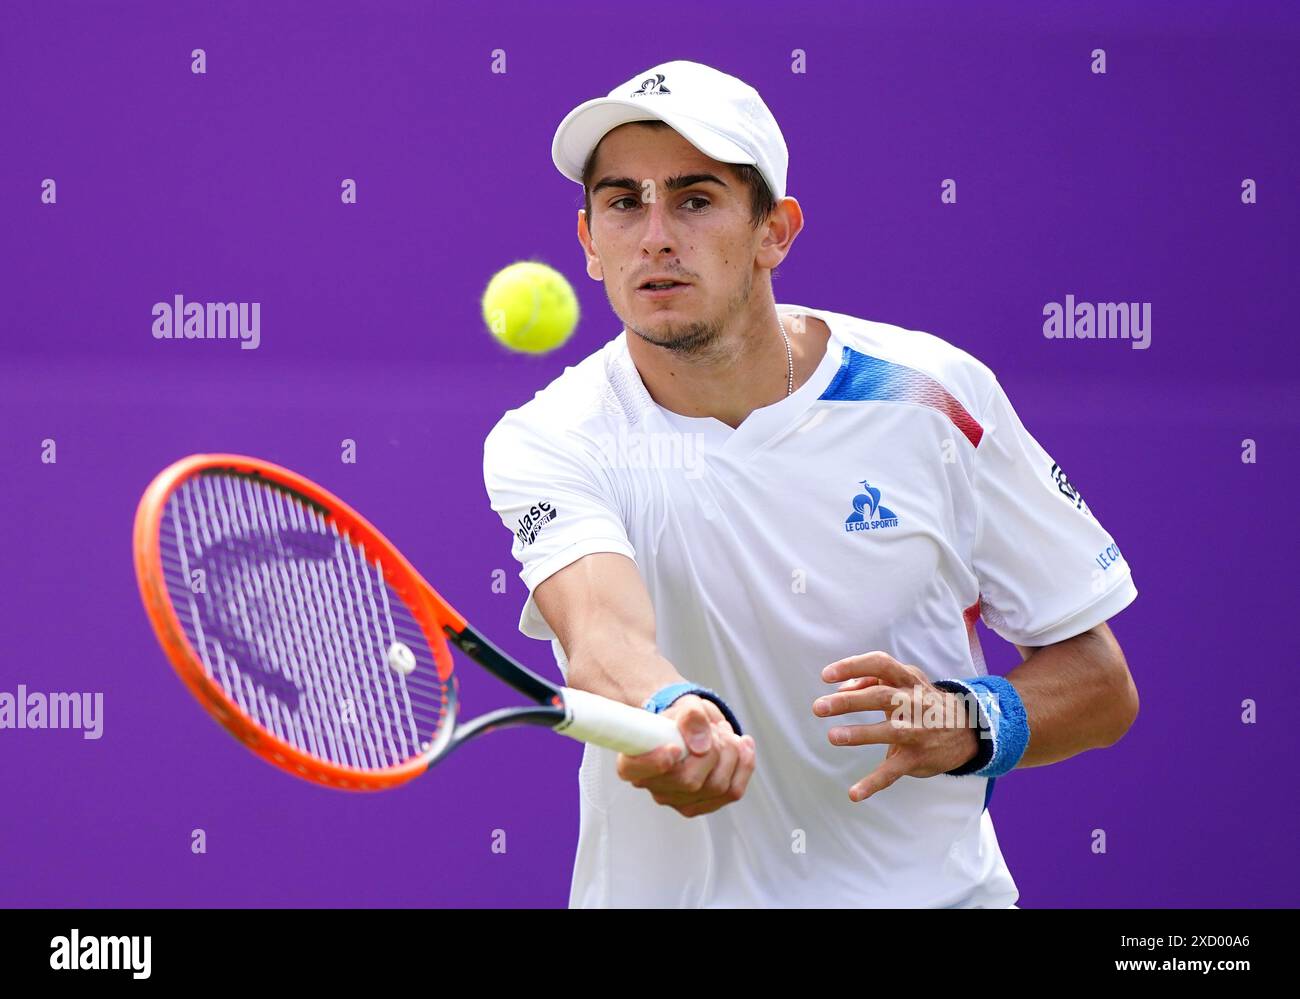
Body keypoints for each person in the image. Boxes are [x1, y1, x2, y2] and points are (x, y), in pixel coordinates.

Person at [482, 59, 1139, 908]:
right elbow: (601, 631)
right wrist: (672, 708)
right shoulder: (550, 437)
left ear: (775, 233)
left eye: (694, 198)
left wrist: (969, 720)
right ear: (589, 244)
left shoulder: (934, 395)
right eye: (622, 202)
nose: (654, 236)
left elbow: (1101, 684)